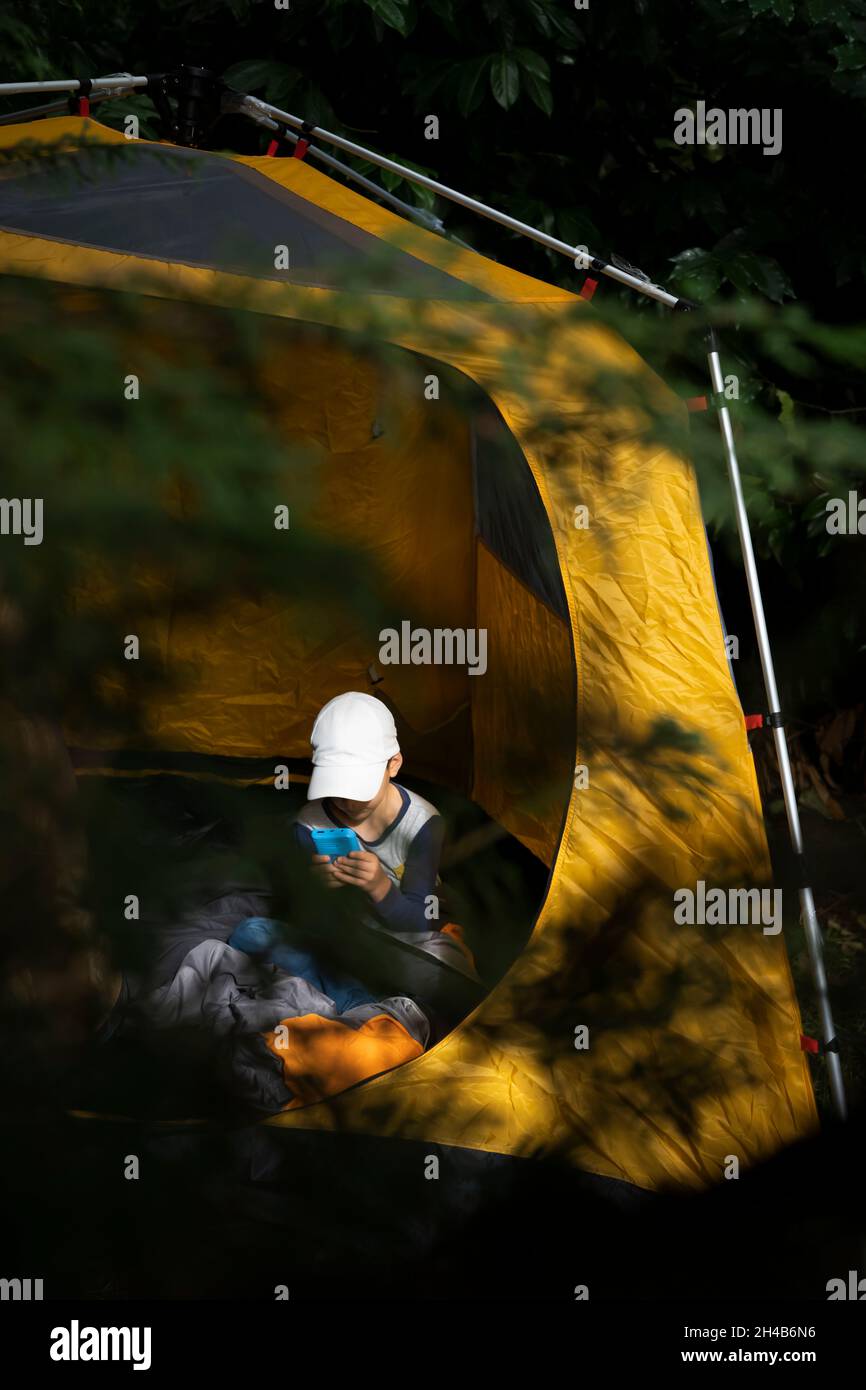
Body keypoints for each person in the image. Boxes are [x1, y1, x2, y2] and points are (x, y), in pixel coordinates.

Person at [294, 690, 445, 934]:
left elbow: (421, 923)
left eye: (360, 789)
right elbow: (308, 916)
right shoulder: (309, 825)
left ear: (393, 764)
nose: (348, 803)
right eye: (337, 787)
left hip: (404, 940)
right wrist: (313, 888)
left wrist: (379, 887)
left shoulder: (423, 823)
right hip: (345, 937)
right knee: (253, 932)